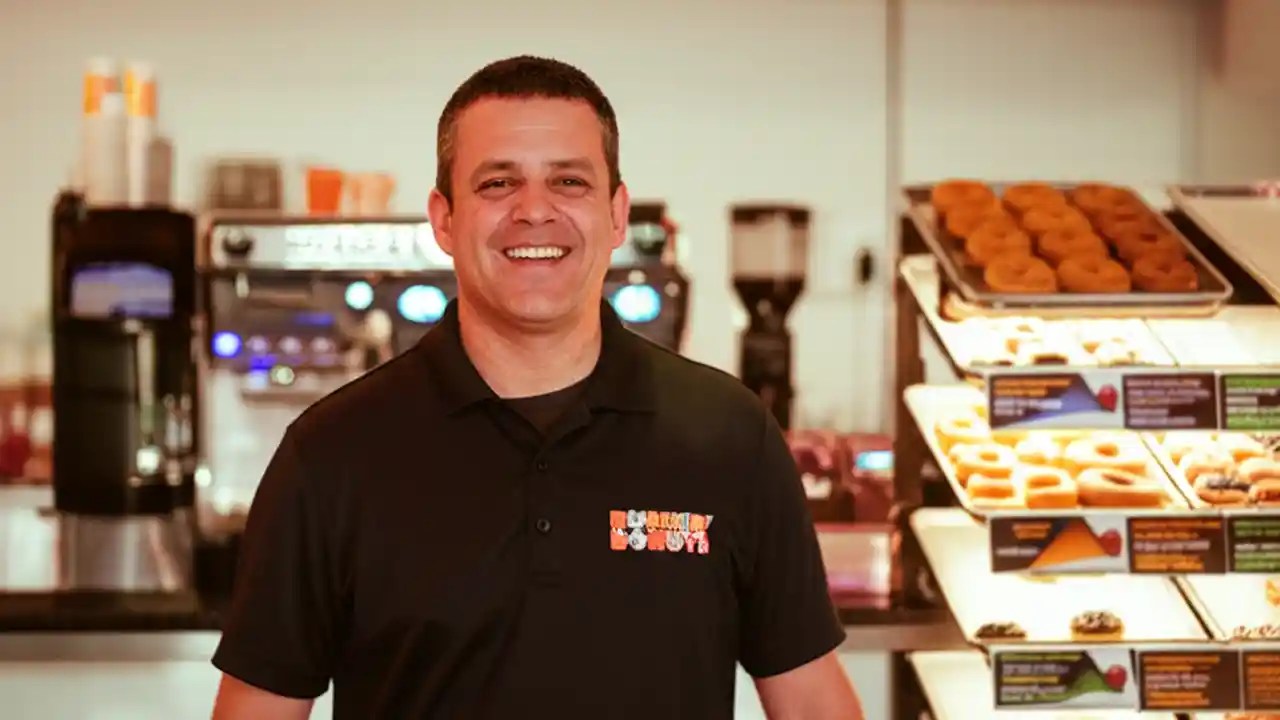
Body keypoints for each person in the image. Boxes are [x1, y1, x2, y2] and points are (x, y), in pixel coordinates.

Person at [211, 55, 864, 719]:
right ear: (444, 219)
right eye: (498, 183)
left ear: (616, 215)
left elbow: (813, 702)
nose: (534, 212)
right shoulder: (330, 454)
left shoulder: (730, 436)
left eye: (569, 182)